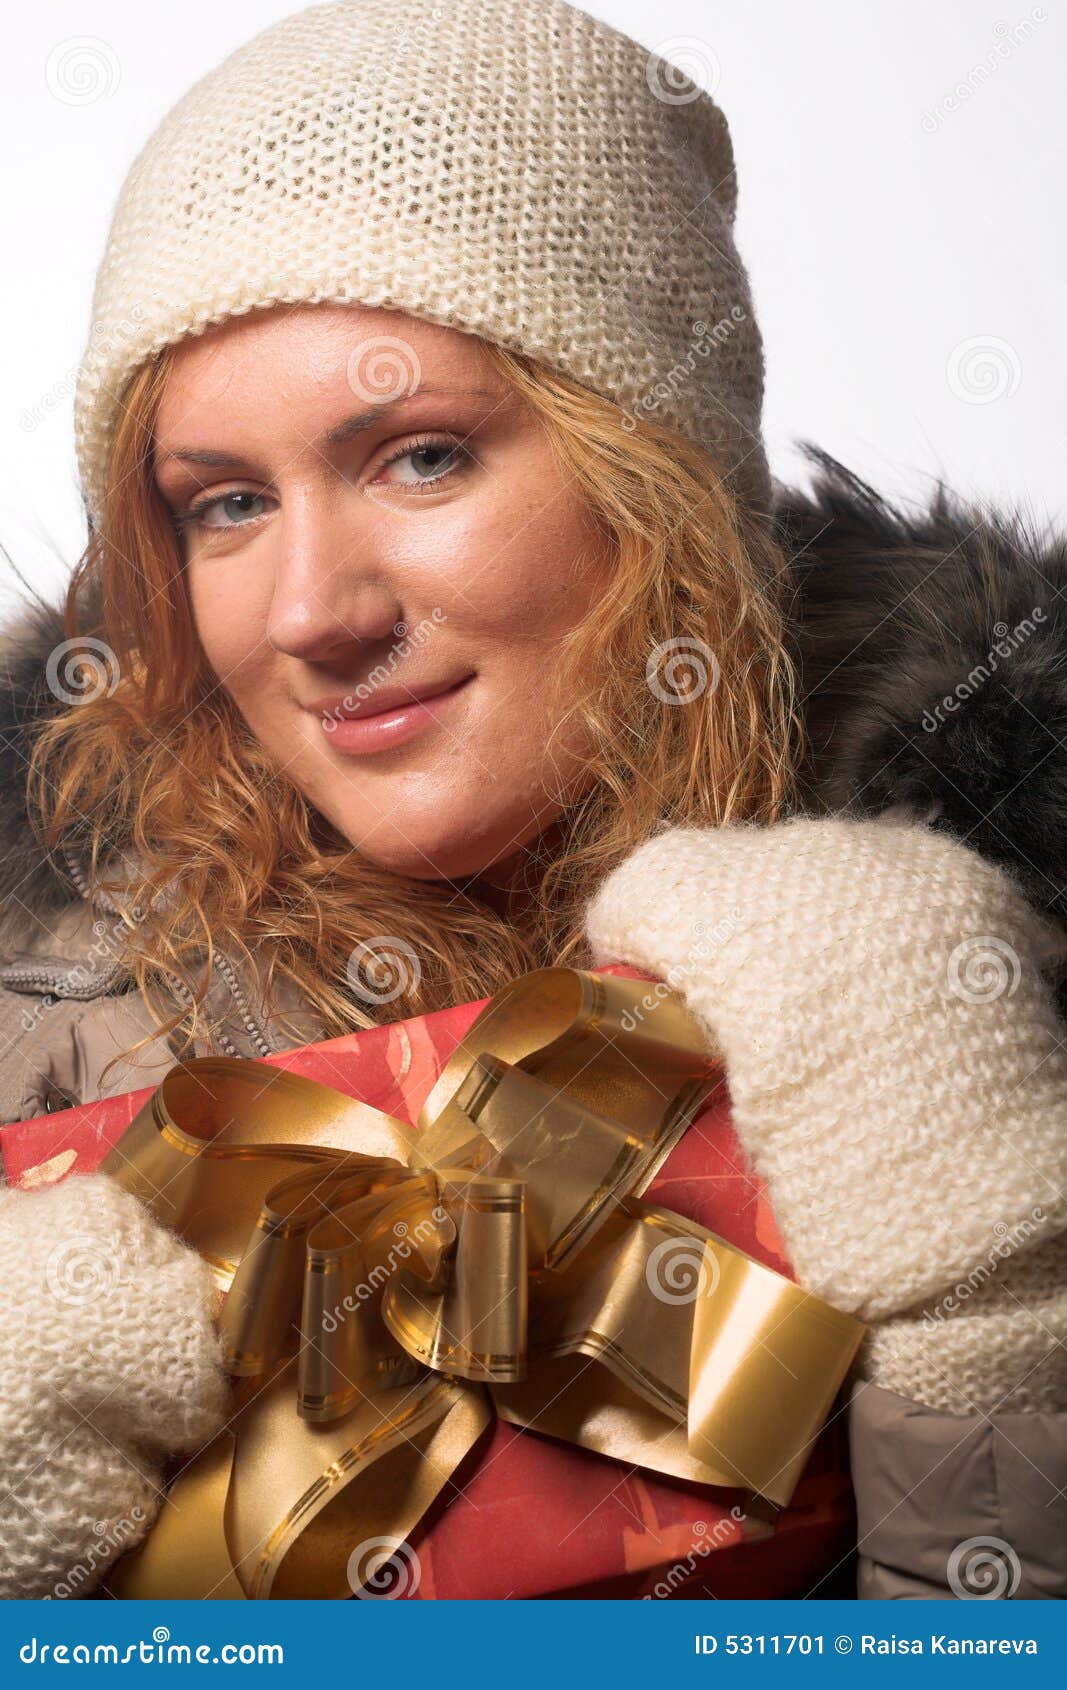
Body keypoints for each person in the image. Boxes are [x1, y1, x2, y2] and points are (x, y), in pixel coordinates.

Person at [0, 0, 1064, 1602]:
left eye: (420, 457)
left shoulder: (996, 922)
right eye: (223, 503)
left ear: (658, 473)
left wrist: (998, 1333)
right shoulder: (38, 995)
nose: (309, 612)